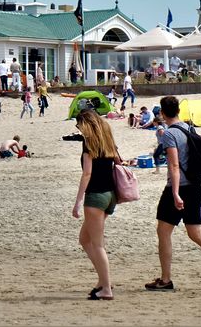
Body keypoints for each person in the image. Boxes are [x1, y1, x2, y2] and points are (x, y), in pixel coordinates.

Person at [146, 96, 201, 293]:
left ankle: (166, 279)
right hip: (195, 186)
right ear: (178, 110)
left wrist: (176, 193)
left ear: (162, 112)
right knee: (196, 232)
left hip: (178, 188)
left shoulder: (169, 134)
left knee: (163, 231)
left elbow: (174, 165)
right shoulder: (188, 128)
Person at [72, 109, 119, 300]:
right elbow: (117, 160)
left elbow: (87, 174)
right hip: (110, 194)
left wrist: (77, 202)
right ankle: (102, 280)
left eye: (79, 125)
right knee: (85, 239)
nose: (79, 130)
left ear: (85, 124)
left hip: (96, 196)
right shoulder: (107, 135)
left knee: (97, 244)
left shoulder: (89, 142)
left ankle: (106, 288)